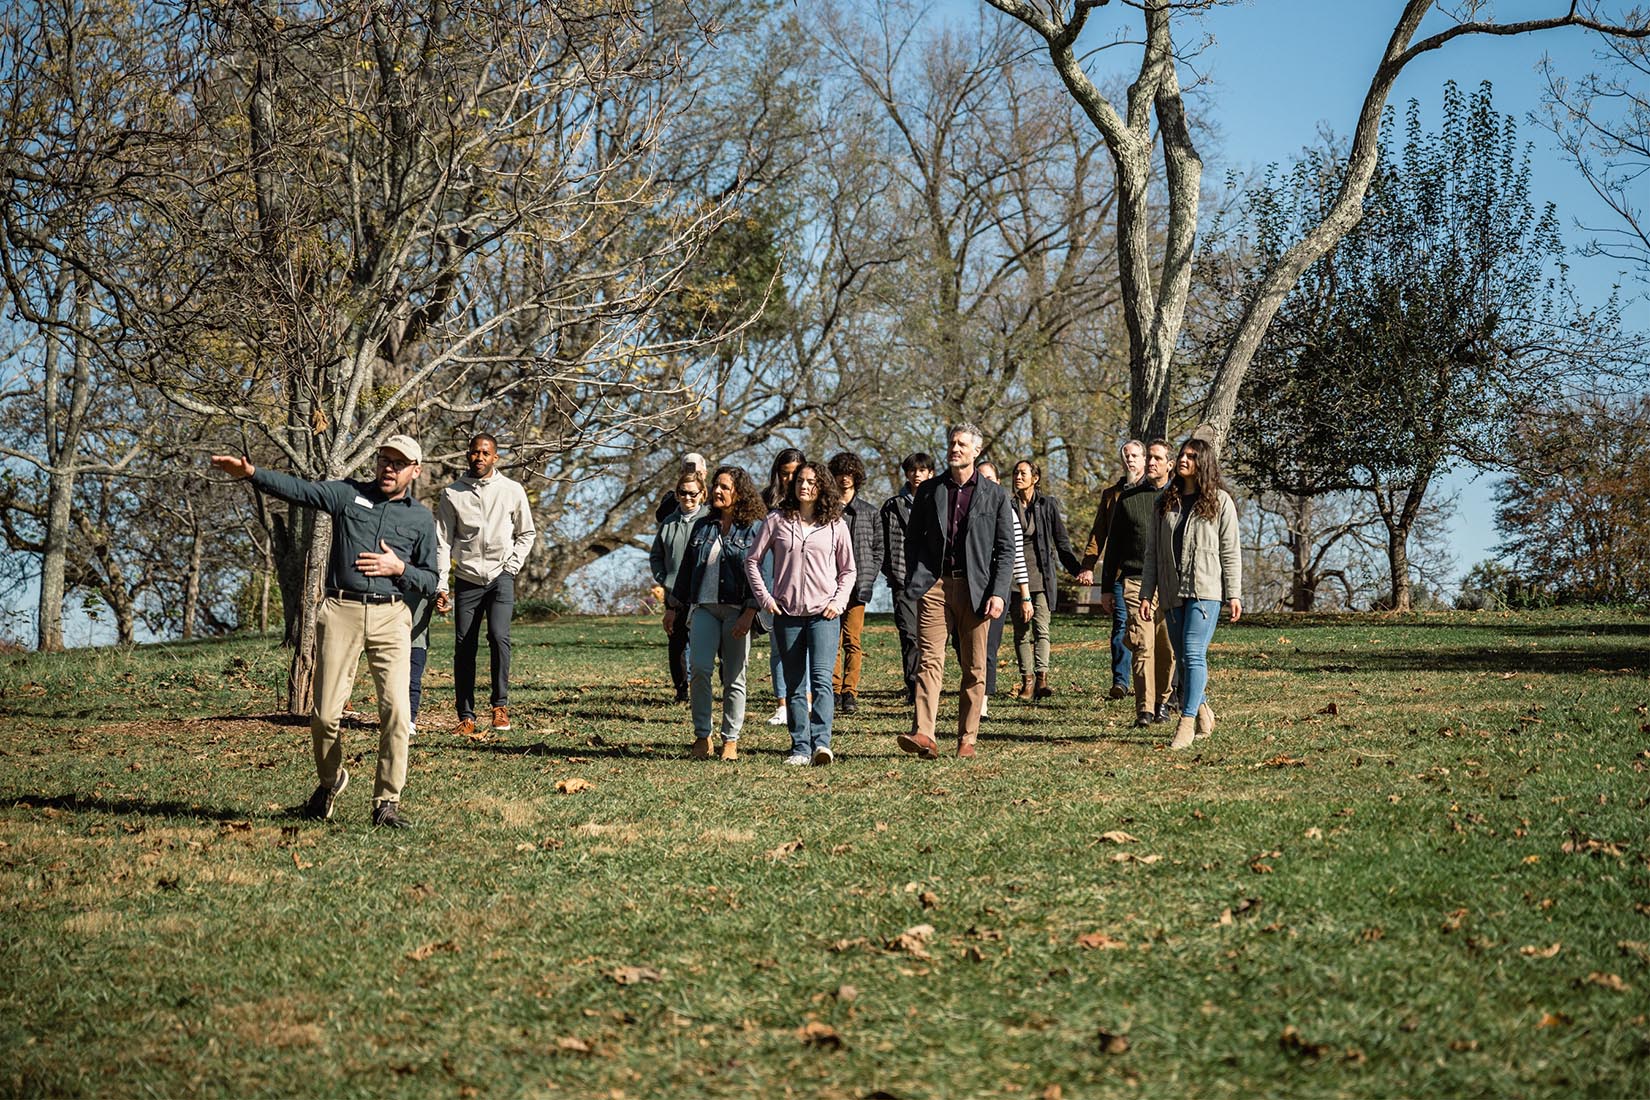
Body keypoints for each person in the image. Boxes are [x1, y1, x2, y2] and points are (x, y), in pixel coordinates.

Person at [208, 436, 437, 828]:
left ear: (415, 471)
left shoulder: (421, 519)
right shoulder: (347, 495)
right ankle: (331, 781)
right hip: (341, 611)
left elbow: (431, 580)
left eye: (399, 463)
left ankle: (386, 802)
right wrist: (252, 474)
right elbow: (301, 491)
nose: (389, 467)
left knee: (398, 714)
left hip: (391, 616)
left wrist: (399, 569)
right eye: (384, 459)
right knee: (325, 715)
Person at [898, 424, 1016, 760]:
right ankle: (925, 734)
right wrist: (917, 577)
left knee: (975, 667)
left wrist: (999, 592)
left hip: (978, 591)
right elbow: (912, 540)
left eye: (962, 444)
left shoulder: (995, 495)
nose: (955, 448)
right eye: (952, 443)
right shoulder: (929, 490)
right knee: (929, 660)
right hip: (934, 587)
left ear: (976, 451)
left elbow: (1006, 549)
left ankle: (967, 739)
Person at [747, 462, 856, 766]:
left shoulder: (835, 524)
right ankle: (800, 748)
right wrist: (765, 598)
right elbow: (752, 560)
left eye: (811, 481)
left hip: (825, 615)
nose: (804, 486)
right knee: (795, 684)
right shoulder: (776, 520)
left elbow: (848, 570)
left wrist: (838, 602)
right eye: (799, 481)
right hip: (787, 615)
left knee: (821, 681)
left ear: (822, 487)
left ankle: (822, 744)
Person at [1140, 436, 1243, 750]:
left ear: (1204, 463)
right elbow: (1152, 553)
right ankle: (1203, 710)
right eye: (1183, 455)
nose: (1184, 459)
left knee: (1193, 653)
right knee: (1183, 660)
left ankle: (1185, 722)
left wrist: (1234, 593)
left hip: (1205, 590)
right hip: (1171, 591)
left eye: (1192, 456)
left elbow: (1230, 551)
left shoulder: (1220, 501)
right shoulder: (1164, 503)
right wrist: (1147, 593)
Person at [435, 434, 537, 737]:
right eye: (474, 452)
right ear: (468, 455)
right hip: (467, 577)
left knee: (498, 636)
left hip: (500, 576)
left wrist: (512, 567)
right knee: (464, 645)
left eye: (485, 453)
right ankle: (466, 716)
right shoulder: (452, 493)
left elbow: (526, 533)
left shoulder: (512, 490)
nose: (479, 457)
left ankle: (499, 706)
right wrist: (442, 584)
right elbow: (443, 541)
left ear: (495, 457)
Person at [667, 465, 764, 760]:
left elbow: (762, 574)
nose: (717, 491)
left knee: (734, 677)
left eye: (724, 487)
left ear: (740, 493)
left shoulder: (755, 528)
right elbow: (686, 570)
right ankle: (702, 736)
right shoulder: (703, 526)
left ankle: (730, 740)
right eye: (716, 486)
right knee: (699, 669)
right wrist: (673, 607)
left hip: (738, 610)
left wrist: (750, 611)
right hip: (704, 608)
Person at [1093, 439, 1175, 728]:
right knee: (1142, 645)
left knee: (1167, 649)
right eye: (1148, 457)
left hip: (1171, 585)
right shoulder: (1128, 500)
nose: (1150, 462)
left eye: (1157, 458)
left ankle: (1162, 703)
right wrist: (1106, 588)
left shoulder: (1179, 499)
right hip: (1135, 581)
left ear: (1170, 464)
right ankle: (1144, 710)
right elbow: (1113, 547)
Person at [1009, 459, 1084, 699]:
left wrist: (1077, 570)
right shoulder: (1007, 506)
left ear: (1035, 478)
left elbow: (1062, 543)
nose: (1018, 477)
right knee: (1021, 632)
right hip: (1014, 578)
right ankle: (1027, 682)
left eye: (1023, 473)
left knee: (1041, 629)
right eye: (1015, 473)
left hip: (1041, 577)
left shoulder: (1047, 505)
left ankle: (1042, 679)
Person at [1078, 440, 1146, 701]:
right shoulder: (1111, 495)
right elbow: (1099, 533)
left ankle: (1150, 681)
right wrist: (1088, 566)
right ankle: (1120, 681)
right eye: (1126, 455)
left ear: (1144, 459)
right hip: (1120, 572)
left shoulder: (1156, 491)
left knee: (1149, 628)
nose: (1130, 459)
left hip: (1149, 571)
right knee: (1121, 625)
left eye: (1135, 455)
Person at [827, 451, 883, 715]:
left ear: (857, 477)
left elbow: (878, 549)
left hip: (859, 585)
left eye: (850, 473)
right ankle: (833, 689)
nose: (845, 478)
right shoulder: (826, 511)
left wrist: (869, 577)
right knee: (832, 640)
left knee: (853, 639)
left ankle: (850, 691)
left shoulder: (870, 512)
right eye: (840, 473)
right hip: (829, 585)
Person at [879, 452, 935, 704]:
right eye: (912, 470)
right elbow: (881, 543)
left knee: (932, 637)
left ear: (930, 473)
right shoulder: (892, 506)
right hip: (902, 579)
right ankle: (914, 688)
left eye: (922, 470)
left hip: (933, 579)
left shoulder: (939, 502)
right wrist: (891, 571)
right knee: (909, 635)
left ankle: (931, 685)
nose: (917, 474)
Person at [651, 468, 707, 703]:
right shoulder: (668, 523)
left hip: (704, 594)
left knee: (706, 645)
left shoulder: (710, 520)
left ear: (702, 494)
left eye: (693, 493)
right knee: (677, 644)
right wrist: (665, 581)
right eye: (683, 493)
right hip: (674, 595)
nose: (688, 498)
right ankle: (682, 690)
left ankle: (707, 689)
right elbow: (656, 556)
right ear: (676, 494)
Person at [974, 459, 1024, 720]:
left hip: (997, 586)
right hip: (971, 585)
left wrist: (1024, 594)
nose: (985, 483)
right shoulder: (968, 507)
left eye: (990, 478)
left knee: (989, 646)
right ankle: (972, 691)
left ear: (998, 482)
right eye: (980, 477)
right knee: (966, 646)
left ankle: (982, 701)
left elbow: (1015, 555)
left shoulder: (1005, 509)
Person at [760, 448, 807, 726]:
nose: (790, 479)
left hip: (807, 582)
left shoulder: (812, 501)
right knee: (779, 647)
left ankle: (806, 700)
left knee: (807, 646)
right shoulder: (766, 501)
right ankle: (782, 704)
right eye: (785, 473)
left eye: (795, 473)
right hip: (774, 583)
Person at [655, 452, 708, 522]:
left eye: (698, 473)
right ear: (681, 474)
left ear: (705, 474)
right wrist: (680, 494)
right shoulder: (672, 498)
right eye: (686, 473)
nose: (692, 477)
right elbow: (661, 516)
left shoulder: (714, 497)